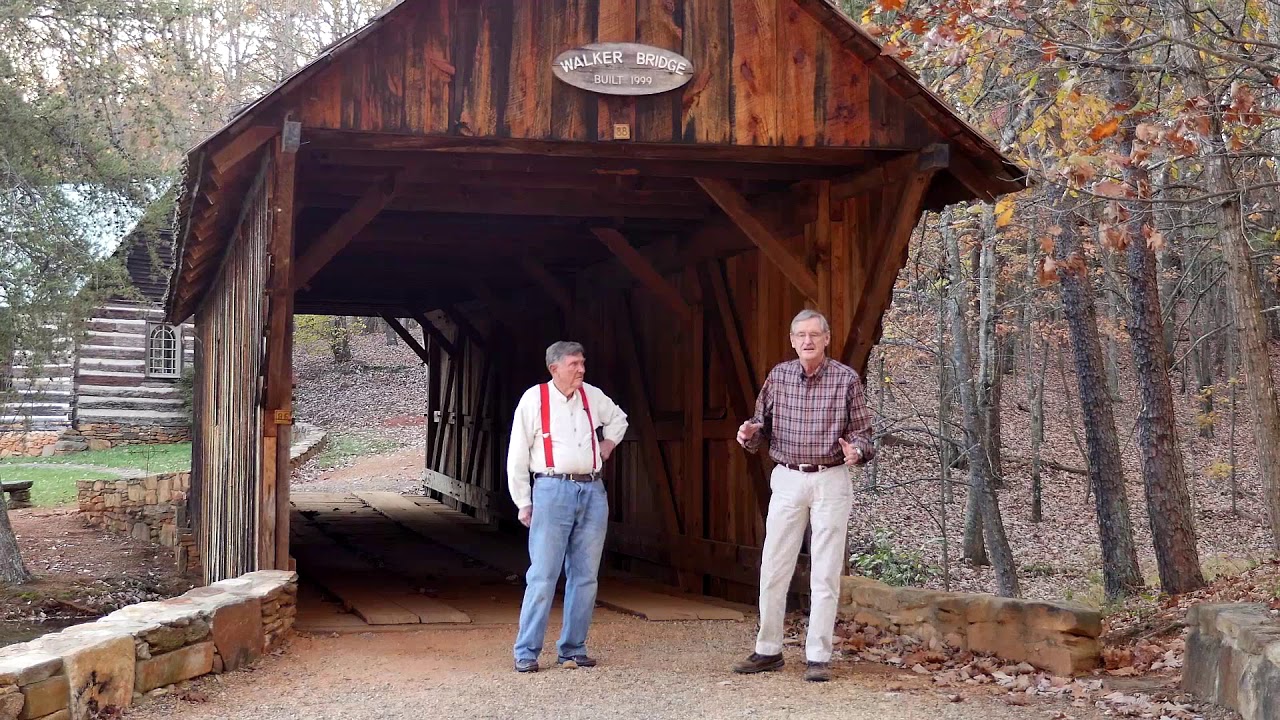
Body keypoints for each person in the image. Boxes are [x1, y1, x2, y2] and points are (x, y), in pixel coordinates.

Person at [732, 309, 875, 682]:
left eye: (815, 334)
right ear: (792, 340)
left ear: (826, 338)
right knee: (774, 564)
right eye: (800, 335)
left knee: (825, 570)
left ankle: (818, 656)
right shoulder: (778, 377)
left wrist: (856, 451)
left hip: (831, 479)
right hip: (788, 479)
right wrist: (748, 436)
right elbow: (759, 427)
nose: (807, 341)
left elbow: (864, 434)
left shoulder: (846, 380)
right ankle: (768, 650)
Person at [506, 340, 629, 673]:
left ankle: (573, 648)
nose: (581, 369)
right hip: (551, 489)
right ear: (554, 368)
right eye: (574, 364)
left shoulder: (592, 395)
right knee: (543, 575)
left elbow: (619, 419)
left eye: (582, 363)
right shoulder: (534, 399)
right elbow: (517, 454)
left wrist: (608, 442)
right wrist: (523, 501)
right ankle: (527, 651)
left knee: (586, 576)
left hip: (591, 489)